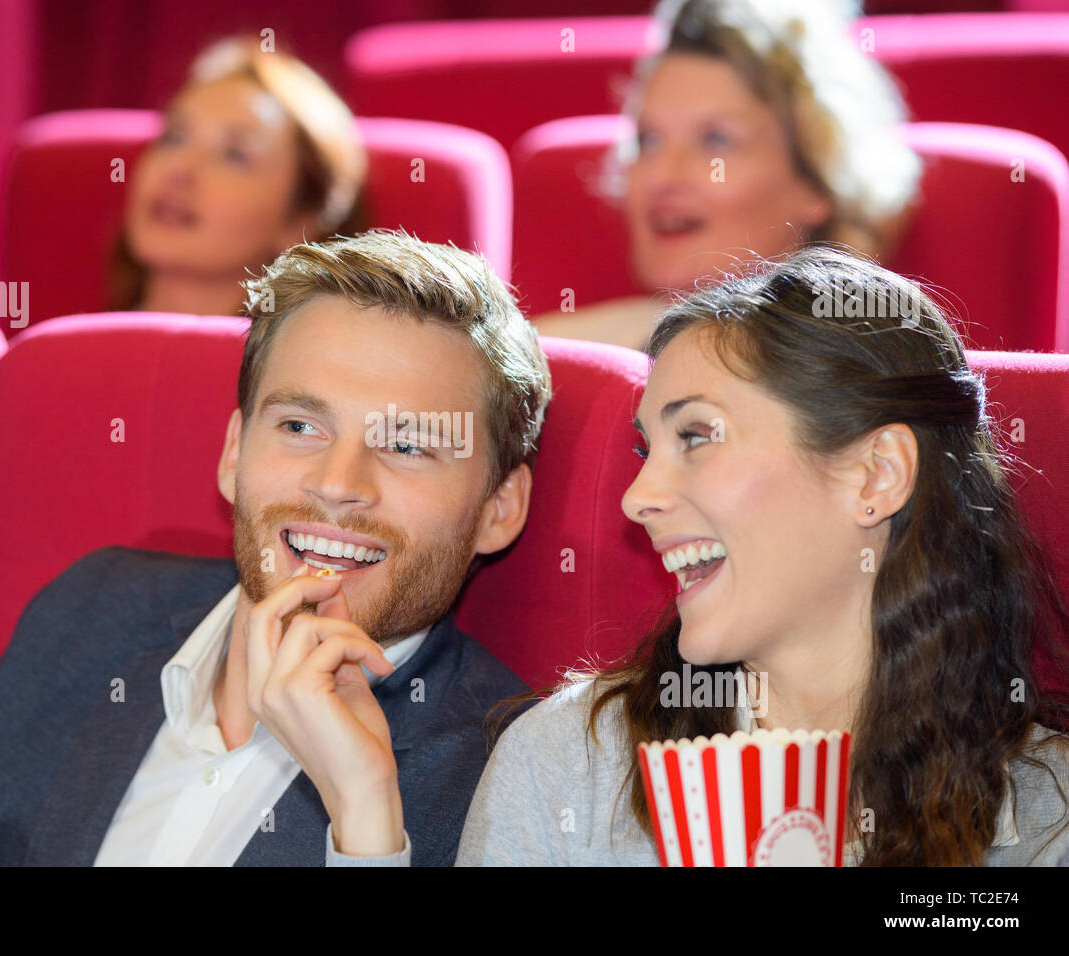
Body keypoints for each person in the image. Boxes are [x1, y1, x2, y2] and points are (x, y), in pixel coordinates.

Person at [0, 229, 552, 867]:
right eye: (301, 427)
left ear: (499, 509)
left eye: (407, 445)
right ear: (234, 451)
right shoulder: (89, 616)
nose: (338, 485)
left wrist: (367, 831)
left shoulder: (522, 773)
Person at [457, 246, 1069, 866]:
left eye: (696, 437)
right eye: (648, 451)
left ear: (876, 475)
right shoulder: (568, 762)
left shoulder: (1054, 819)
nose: (637, 498)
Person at [533, 0, 921, 354]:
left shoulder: (873, 370)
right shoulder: (569, 350)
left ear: (818, 182)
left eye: (715, 139)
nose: (661, 176)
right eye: (648, 140)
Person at [107, 36, 368, 316]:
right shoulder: (68, 347)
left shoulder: (308, 360)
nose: (178, 169)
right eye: (174, 138)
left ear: (300, 223)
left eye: (234, 155)